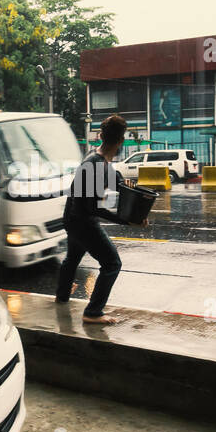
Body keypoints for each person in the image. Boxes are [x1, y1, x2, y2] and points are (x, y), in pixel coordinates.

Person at [55, 114, 146, 324]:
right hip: (82, 221)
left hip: (72, 218)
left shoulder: (95, 157)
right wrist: (126, 220)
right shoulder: (97, 165)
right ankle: (93, 312)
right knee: (112, 263)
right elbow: (93, 208)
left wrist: (128, 187)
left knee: (72, 258)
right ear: (121, 141)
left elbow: (114, 178)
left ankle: (61, 297)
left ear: (101, 136)